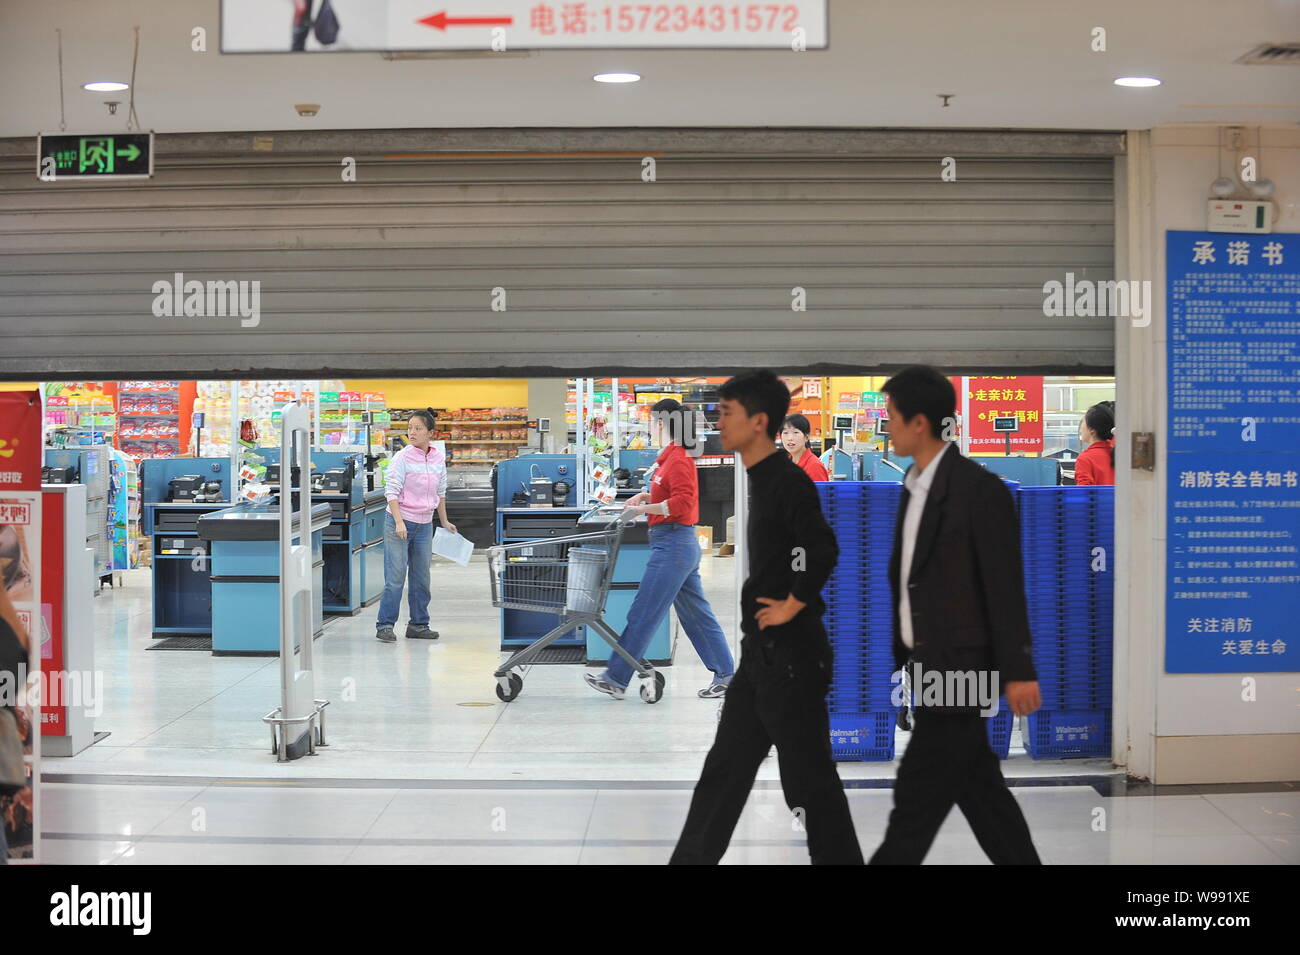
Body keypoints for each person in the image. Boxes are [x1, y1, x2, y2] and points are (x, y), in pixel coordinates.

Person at [670, 370, 863, 865]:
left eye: (727, 412)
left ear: (758, 422)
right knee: (725, 773)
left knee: (810, 784)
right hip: (763, 659)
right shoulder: (762, 477)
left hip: (792, 659)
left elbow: (821, 548)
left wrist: (792, 604)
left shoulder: (786, 480)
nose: (719, 420)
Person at [869, 365, 1042, 865]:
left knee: (915, 804)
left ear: (919, 423)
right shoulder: (914, 485)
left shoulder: (978, 492)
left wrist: (1019, 670)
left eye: (893, 417)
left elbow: (1004, 589)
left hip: (961, 666)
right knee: (982, 795)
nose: (888, 427)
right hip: (928, 663)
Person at [585, 399, 735, 699]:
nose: (649, 426)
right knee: (695, 616)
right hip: (674, 544)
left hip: (674, 545)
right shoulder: (667, 458)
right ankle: (727, 675)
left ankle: (615, 678)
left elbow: (684, 503)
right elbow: (668, 491)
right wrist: (644, 496)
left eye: (651, 421)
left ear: (663, 423)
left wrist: (643, 510)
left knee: (644, 612)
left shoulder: (679, 458)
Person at [376, 409, 455, 643]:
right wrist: (399, 521)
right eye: (410, 428)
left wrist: (444, 521)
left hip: (424, 524)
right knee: (396, 576)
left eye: (418, 428)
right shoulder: (402, 457)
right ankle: (385, 625)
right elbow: (391, 491)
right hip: (399, 522)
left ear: (430, 433)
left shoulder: (438, 458)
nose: (412, 432)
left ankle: (419, 625)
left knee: (422, 578)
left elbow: (440, 492)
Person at [1074, 400, 1116, 486]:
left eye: (1083, 422)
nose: (1081, 427)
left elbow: (1085, 494)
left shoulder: (1085, 459)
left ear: (1092, 430)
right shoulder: (1119, 454)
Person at [781, 414, 829, 482]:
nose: (790, 438)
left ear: (806, 437)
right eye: (785, 433)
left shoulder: (814, 466)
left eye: (795, 432)